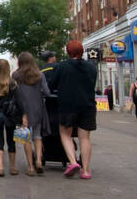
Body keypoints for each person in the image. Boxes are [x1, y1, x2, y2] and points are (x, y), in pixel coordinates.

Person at [50, 40, 98, 179]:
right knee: (85, 138)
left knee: (65, 134)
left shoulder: (62, 66)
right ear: (82, 51)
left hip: (67, 105)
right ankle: (86, 170)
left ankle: (72, 162)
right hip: (88, 106)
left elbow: (52, 84)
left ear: (68, 52)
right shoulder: (91, 67)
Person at [11, 52, 50, 175]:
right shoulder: (40, 75)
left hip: (23, 110)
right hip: (38, 108)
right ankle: (38, 160)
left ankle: (30, 167)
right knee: (37, 136)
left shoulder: (16, 75)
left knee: (25, 137)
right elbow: (47, 92)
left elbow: (13, 93)